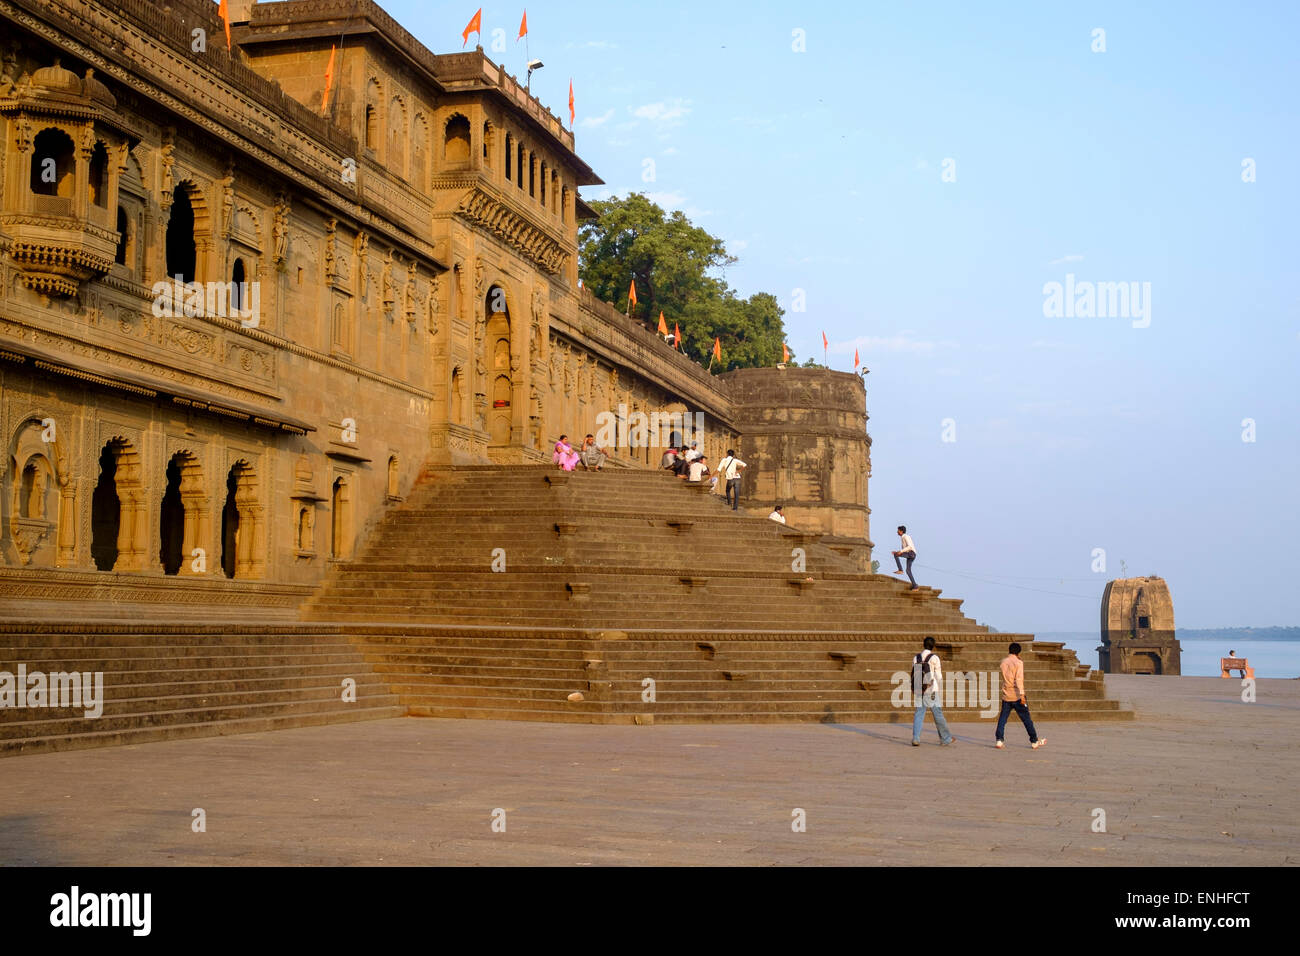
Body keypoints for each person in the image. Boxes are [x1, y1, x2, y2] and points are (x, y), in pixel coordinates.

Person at [995, 642, 1045, 750]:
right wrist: (1022, 695)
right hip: (1017, 695)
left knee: (1003, 719)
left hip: (1006, 695)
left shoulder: (1003, 662)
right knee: (1026, 719)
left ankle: (999, 739)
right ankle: (1034, 741)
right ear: (1018, 652)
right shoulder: (1019, 663)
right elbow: (1018, 679)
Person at [911, 636, 954, 747]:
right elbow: (938, 676)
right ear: (933, 646)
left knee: (919, 713)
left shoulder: (916, 658)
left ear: (923, 644)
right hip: (931, 689)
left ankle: (916, 738)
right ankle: (945, 738)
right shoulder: (934, 658)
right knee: (938, 714)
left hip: (919, 688)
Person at [892, 525, 917, 590]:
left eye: (898, 530)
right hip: (911, 554)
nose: (897, 532)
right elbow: (905, 549)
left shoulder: (905, 536)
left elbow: (909, 547)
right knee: (908, 571)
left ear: (901, 531)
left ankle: (900, 570)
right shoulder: (904, 537)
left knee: (896, 555)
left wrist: (900, 552)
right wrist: (899, 552)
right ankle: (915, 586)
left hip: (911, 553)